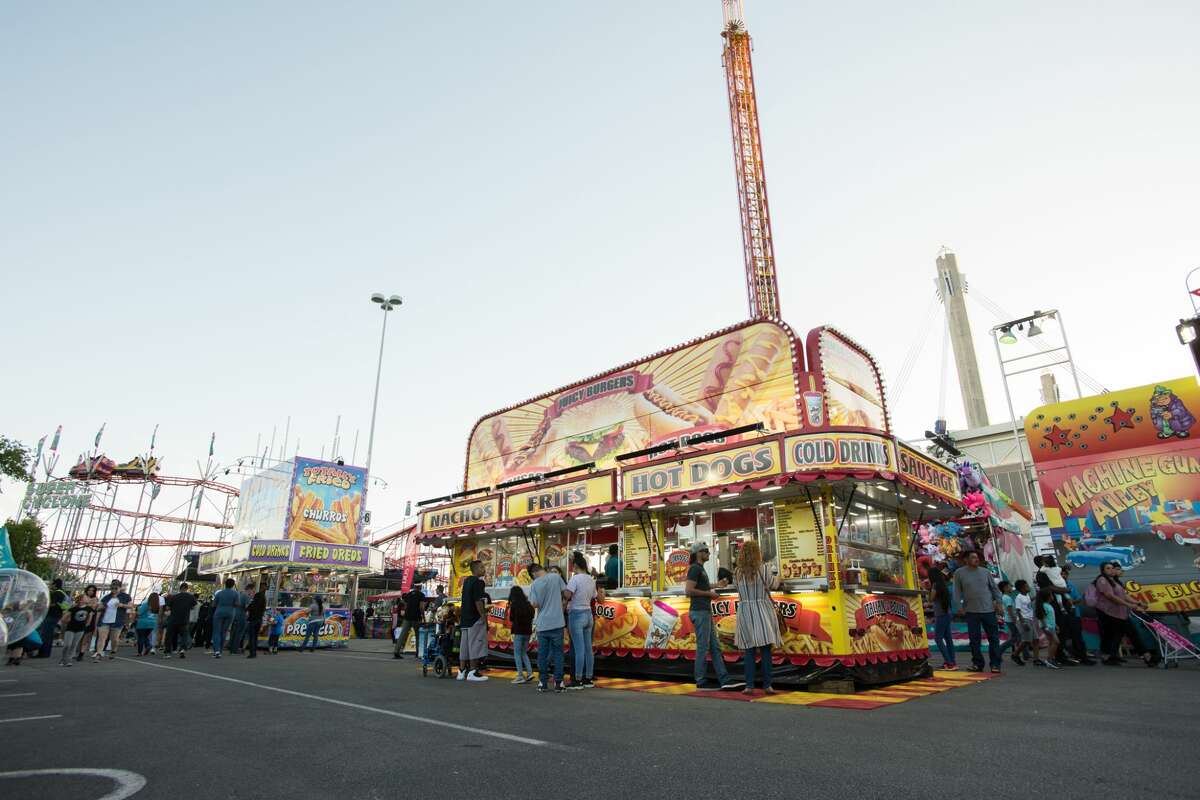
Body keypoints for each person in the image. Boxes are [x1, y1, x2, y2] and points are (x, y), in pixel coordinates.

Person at [685, 542, 744, 690]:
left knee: (714, 647)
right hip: (700, 612)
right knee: (703, 647)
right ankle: (700, 680)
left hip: (704, 611)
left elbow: (700, 586)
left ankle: (724, 679)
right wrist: (709, 594)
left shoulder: (700, 569)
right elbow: (689, 590)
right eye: (706, 551)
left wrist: (717, 585)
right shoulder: (695, 568)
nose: (709, 553)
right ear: (698, 553)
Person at [732, 539, 781, 695]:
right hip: (762, 612)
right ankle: (768, 685)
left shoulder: (737, 572)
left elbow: (736, 587)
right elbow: (774, 585)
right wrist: (780, 577)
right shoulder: (765, 569)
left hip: (745, 612)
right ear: (757, 553)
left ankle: (749, 686)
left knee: (749, 651)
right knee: (766, 650)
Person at [1091, 561, 1159, 667]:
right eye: (1108, 568)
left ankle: (1110, 657)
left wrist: (1137, 602)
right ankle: (1146, 656)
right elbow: (1110, 596)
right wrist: (1128, 605)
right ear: (1102, 570)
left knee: (1117, 635)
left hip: (1120, 613)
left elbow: (1124, 595)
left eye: (1112, 568)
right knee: (1130, 633)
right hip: (1109, 613)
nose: (1111, 570)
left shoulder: (1115, 581)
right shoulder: (1102, 580)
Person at [951, 550, 1004, 673]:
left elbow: (995, 589)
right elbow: (956, 591)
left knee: (993, 638)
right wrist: (959, 606)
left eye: (977, 557)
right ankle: (977, 663)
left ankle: (995, 664)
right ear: (966, 560)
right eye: (973, 557)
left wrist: (999, 604)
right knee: (974, 639)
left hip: (989, 610)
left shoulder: (985, 572)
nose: (976, 559)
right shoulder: (959, 573)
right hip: (971, 612)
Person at [527, 562, 567, 692]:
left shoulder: (534, 584)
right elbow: (566, 594)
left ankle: (542, 683)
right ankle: (558, 683)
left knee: (542, 655)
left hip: (543, 624)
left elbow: (534, 604)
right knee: (558, 654)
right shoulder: (555, 577)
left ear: (533, 573)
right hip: (557, 623)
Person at [1035, 555, 1080, 664]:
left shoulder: (1052, 570)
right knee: (1060, 631)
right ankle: (1058, 656)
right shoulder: (1041, 574)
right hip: (1054, 605)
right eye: (1045, 560)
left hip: (1063, 603)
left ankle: (1068, 654)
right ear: (1041, 563)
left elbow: (1061, 571)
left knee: (1066, 630)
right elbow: (1051, 587)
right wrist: (1065, 590)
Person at [565, 551, 599, 689]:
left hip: (576, 614)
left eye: (573, 567)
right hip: (588, 615)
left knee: (579, 649)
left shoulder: (575, 579)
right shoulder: (591, 580)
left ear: (576, 566)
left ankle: (577, 680)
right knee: (588, 649)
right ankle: (588, 678)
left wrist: (563, 590)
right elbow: (594, 596)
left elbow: (568, 595)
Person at [456, 561, 489, 681]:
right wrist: (483, 616)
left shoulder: (467, 581)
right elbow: (478, 601)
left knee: (464, 646)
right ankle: (473, 671)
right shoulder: (478, 582)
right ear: (475, 569)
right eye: (482, 567)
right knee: (475, 644)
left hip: (465, 619)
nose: (484, 569)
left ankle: (461, 671)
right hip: (475, 619)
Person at [1058, 564, 1095, 664]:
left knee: (1078, 636)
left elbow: (1078, 599)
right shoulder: (1055, 586)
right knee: (1064, 637)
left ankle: (1082, 656)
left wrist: (1071, 602)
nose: (1064, 576)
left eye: (1065, 574)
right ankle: (1067, 656)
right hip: (1062, 616)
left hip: (1074, 614)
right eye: (1061, 574)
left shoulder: (1071, 584)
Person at [1013, 580, 1052, 668]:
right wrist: (1023, 623)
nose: (1028, 587)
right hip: (1024, 620)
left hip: (1030, 619)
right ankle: (1015, 655)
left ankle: (1036, 660)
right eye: (1026, 586)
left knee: (1036, 640)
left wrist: (1037, 595)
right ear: (1022, 588)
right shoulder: (1018, 597)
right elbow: (1018, 610)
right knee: (1026, 641)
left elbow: (1029, 601)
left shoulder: (1026, 595)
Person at [93, 580, 133, 661]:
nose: (114, 590)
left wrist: (122, 605)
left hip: (117, 621)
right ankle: (99, 653)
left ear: (120, 588)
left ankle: (113, 651)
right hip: (104, 620)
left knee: (114, 639)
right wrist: (101, 607)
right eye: (112, 588)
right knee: (102, 638)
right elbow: (99, 608)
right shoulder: (107, 597)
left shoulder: (125, 596)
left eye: (116, 588)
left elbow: (131, 606)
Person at [928, 566, 956, 669]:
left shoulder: (935, 585)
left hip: (940, 614)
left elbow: (931, 598)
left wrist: (928, 589)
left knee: (938, 638)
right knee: (948, 638)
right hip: (947, 613)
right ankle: (952, 661)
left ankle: (948, 662)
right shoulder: (943, 584)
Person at [508, 585, 534, 684]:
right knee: (523, 652)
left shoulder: (514, 605)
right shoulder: (528, 604)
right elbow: (532, 615)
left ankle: (520, 675)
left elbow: (511, 618)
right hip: (527, 632)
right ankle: (530, 673)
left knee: (517, 653)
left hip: (518, 631)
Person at [59, 593, 93, 667]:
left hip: (80, 629)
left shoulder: (89, 608)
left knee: (74, 644)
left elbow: (90, 617)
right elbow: (63, 618)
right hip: (70, 628)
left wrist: (87, 624)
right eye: (85, 597)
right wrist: (68, 621)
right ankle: (63, 658)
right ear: (81, 600)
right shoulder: (74, 608)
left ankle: (69, 660)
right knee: (67, 645)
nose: (87, 598)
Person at [37, 578, 67, 659]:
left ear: (55, 584)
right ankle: (46, 652)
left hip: (51, 615)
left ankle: (43, 653)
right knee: (49, 634)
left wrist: (42, 606)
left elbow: (51, 604)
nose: (50, 585)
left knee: (46, 634)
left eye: (51, 584)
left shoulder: (56, 593)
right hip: (57, 615)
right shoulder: (62, 592)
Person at [164, 583, 196, 658]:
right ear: (187, 588)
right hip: (184, 619)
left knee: (169, 635)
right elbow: (193, 607)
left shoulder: (174, 596)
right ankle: (182, 650)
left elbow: (168, 608)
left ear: (180, 588)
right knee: (184, 635)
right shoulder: (191, 597)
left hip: (173, 619)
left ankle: (168, 652)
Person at [210, 578, 240, 659]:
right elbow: (237, 604)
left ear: (225, 584)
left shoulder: (219, 593)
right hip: (230, 613)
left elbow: (213, 605)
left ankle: (216, 651)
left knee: (216, 632)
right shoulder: (236, 593)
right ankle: (220, 650)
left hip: (219, 612)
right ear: (233, 585)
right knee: (224, 631)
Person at [395, 586, 426, 660]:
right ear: (420, 588)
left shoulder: (409, 594)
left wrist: (407, 610)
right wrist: (423, 617)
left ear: (414, 587)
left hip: (407, 617)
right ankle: (418, 653)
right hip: (416, 617)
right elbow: (421, 607)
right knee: (418, 635)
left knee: (403, 634)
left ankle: (396, 651)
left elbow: (404, 603)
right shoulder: (421, 595)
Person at [1035, 586, 1063, 667]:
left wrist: (1056, 625)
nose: (1052, 596)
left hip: (1051, 626)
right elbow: (1042, 618)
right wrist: (1046, 627)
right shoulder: (1044, 606)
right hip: (1047, 627)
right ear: (1047, 597)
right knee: (1056, 642)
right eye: (1051, 594)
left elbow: (1051, 617)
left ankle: (1050, 659)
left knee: (1052, 642)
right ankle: (1050, 660)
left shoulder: (1048, 605)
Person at [997, 580, 1023, 665]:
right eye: (1010, 586)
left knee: (1016, 638)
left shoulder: (1005, 597)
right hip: (1011, 620)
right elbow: (1010, 610)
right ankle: (999, 651)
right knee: (1015, 638)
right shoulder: (1007, 598)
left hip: (1009, 620)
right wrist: (1014, 620)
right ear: (1005, 588)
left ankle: (1018, 654)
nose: (1011, 588)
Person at [76, 584, 100, 661]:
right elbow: (77, 604)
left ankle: (81, 654)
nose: (91, 592)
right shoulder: (82, 596)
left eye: (93, 590)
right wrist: (88, 603)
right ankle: (76, 652)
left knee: (86, 638)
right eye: (89, 590)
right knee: (78, 637)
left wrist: (86, 603)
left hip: (90, 619)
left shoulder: (95, 599)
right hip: (80, 618)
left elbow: (94, 607)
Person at [134, 592, 160, 656]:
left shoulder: (146, 604)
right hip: (152, 623)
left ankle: (140, 652)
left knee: (141, 637)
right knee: (145, 636)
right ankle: (148, 646)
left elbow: (139, 613)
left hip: (142, 622)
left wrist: (136, 611)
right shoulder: (157, 606)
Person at [229, 583, 252, 655]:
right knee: (239, 634)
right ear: (250, 589)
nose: (253, 592)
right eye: (253, 590)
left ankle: (231, 649)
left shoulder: (239, 594)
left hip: (235, 615)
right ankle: (235, 650)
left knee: (233, 633)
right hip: (242, 616)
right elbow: (247, 607)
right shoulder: (246, 596)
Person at [246, 583, 266, 659]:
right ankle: (254, 652)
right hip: (259, 619)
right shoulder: (263, 597)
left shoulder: (257, 596)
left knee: (252, 636)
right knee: (255, 637)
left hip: (253, 619)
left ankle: (252, 653)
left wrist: (248, 607)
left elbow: (251, 607)